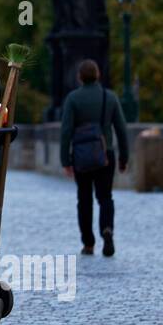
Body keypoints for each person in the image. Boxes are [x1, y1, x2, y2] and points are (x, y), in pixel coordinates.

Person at [60, 58, 129, 257]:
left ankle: (88, 243)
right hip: (105, 155)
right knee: (105, 196)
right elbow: (122, 130)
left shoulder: (73, 99)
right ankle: (107, 229)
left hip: (81, 156)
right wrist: (124, 158)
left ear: (80, 77)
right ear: (98, 75)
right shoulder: (110, 97)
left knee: (84, 199)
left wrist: (65, 160)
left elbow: (66, 131)